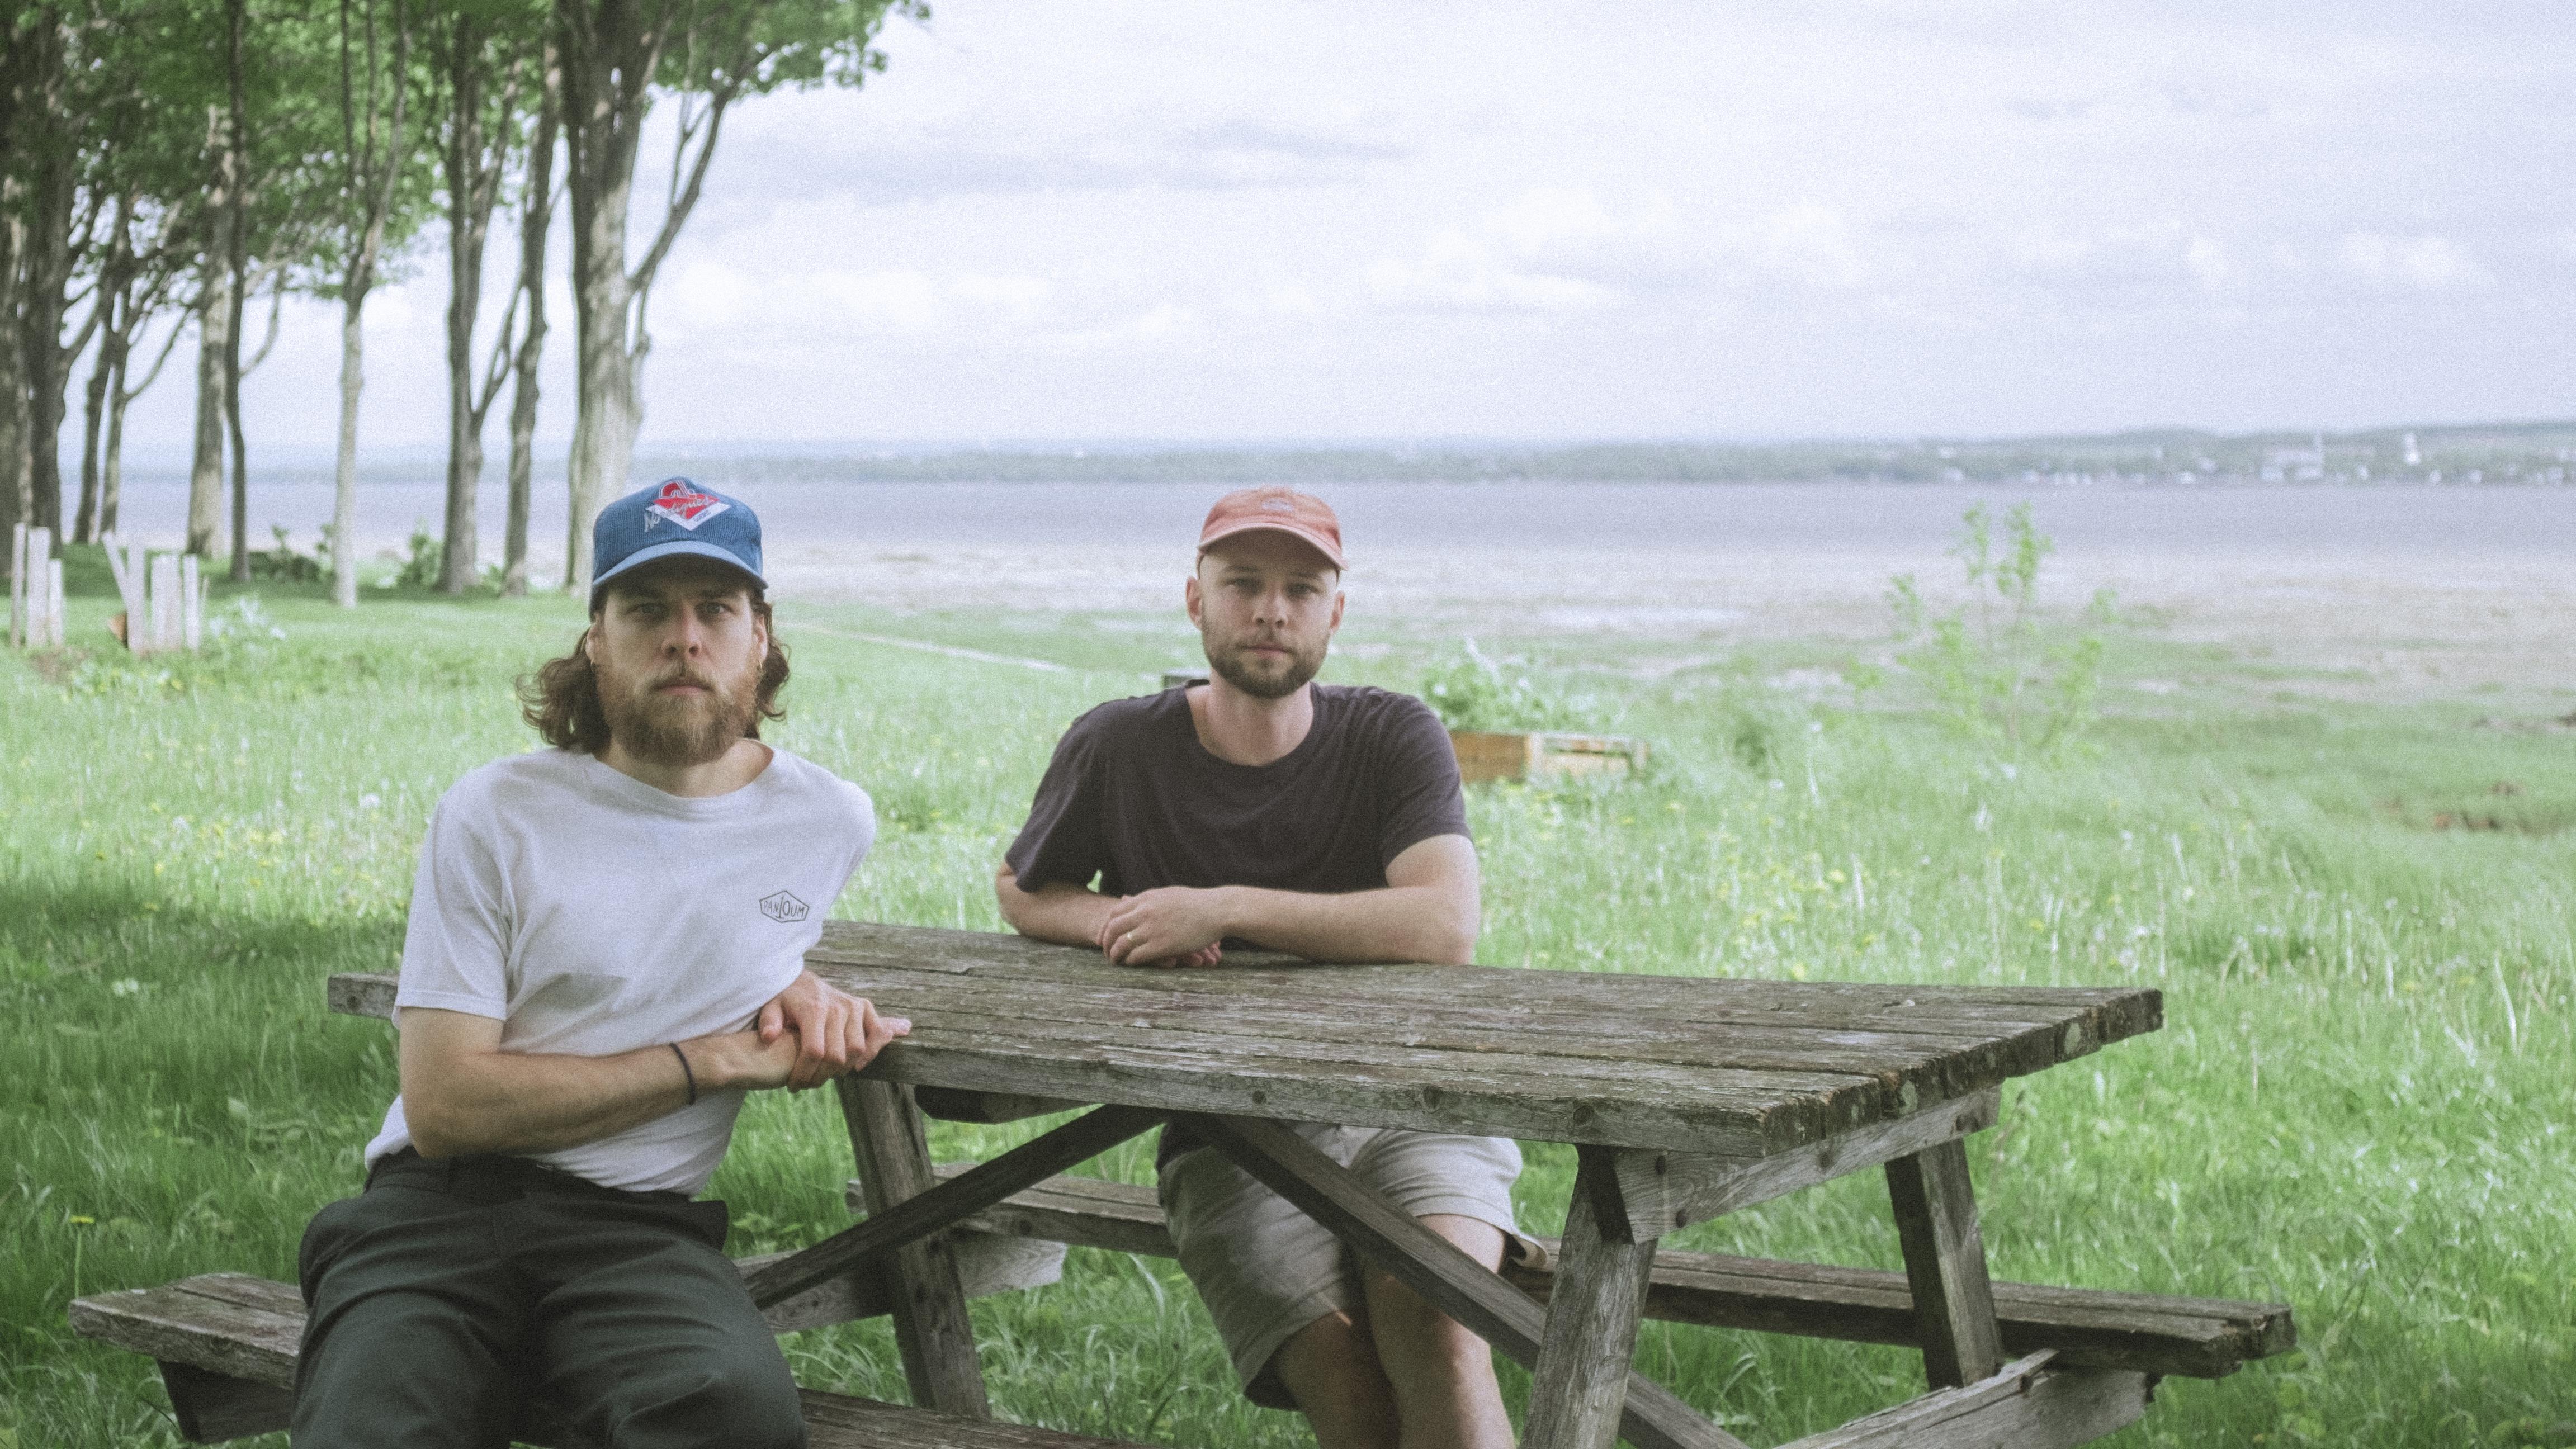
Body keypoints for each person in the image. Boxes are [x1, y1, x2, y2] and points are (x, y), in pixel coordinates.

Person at [291, 479, 905, 1449]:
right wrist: (703, 1063)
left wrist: (793, 982)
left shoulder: (828, 820)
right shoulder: (495, 814)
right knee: (375, 1425)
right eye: (647, 609)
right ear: (595, 639)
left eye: (716, 608)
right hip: (434, 1214)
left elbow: (726, 920)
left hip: (639, 1231)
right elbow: (446, 1109)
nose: (684, 637)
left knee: (732, 1415)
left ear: (761, 637)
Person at [994, 487, 1518, 1449]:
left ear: (1335, 614)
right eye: (1243, 584)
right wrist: (1124, 917)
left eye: (1300, 588)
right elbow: (1026, 887)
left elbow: (1447, 924)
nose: (1271, 610)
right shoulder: (1119, 742)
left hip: (1416, 1104)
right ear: (1196, 601)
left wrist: (1224, 905)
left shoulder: (1393, 734)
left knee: (1434, 1316)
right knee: (1346, 1380)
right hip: (1226, 1138)